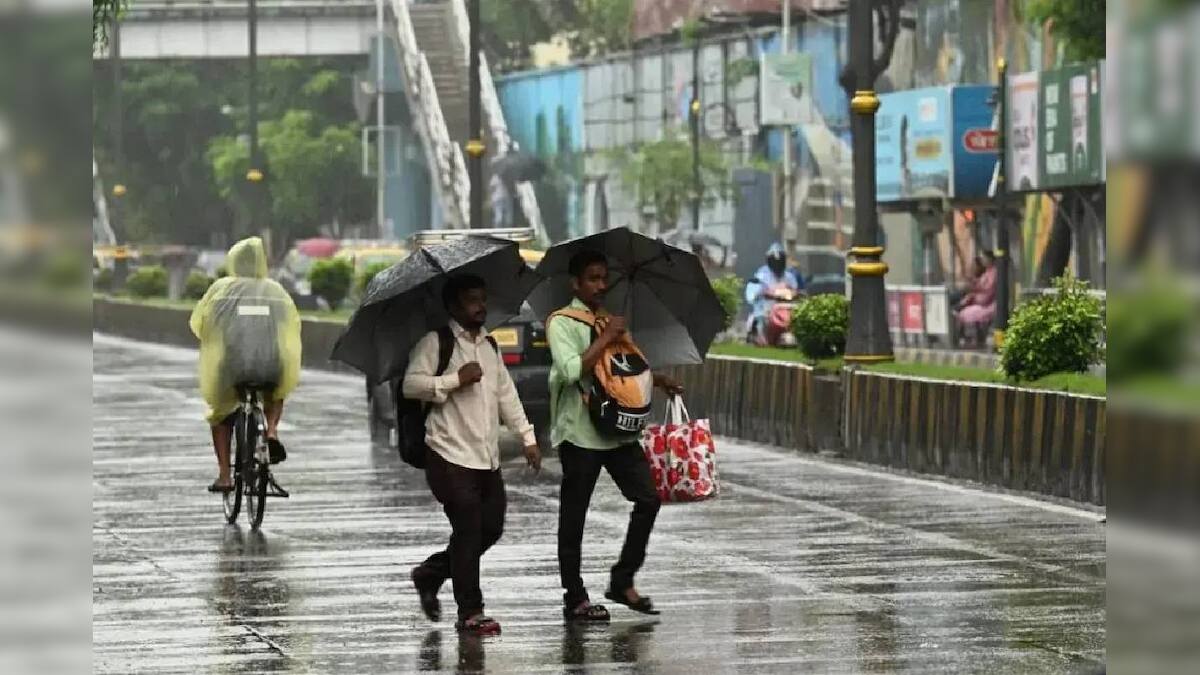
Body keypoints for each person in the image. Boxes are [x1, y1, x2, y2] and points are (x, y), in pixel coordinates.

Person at [548, 249, 683, 622]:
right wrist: (605, 336)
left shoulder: (611, 320)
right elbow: (573, 370)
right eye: (592, 278)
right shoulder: (561, 322)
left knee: (648, 499)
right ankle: (574, 595)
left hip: (619, 432)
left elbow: (621, 371)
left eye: (604, 278)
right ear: (576, 283)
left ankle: (622, 579)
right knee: (574, 517)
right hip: (581, 432)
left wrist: (657, 380)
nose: (601, 285)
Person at [404, 274, 542, 636]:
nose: (480, 307)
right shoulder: (436, 342)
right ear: (453, 306)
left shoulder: (490, 346)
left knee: (490, 528)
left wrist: (526, 437)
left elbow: (505, 395)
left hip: (485, 456)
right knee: (467, 528)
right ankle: (471, 611)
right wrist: (454, 380)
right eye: (471, 301)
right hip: (447, 453)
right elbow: (411, 384)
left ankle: (431, 573)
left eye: (483, 299)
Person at [189, 236, 301, 494]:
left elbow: (200, 325)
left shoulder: (221, 291)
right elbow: (291, 327)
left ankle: (225, 476)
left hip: (232, 367)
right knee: (276, 392)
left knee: (220, 415)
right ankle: (271, 431)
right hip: (270, 365)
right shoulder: (276, 292)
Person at [744, 243, 804, 344]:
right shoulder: (761, 274)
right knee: (761, 317)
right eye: (774, 261)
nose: (777, 264)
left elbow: (795, 289)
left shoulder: (789, 276)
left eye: (780, 261)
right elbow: (754, 290)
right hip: (767, 306)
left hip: (785, 305)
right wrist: (762, 293)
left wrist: (796, 293)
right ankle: (760, 335)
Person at [955, 251, 997, 346]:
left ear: (989, 259)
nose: (981, 261)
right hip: (980, 302)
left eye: (983, 258)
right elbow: (979, 284)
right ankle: (970, 337)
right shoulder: (987, 272)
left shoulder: (994, 273)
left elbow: (988, 289)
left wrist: (973, 289)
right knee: (962, 309)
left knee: (963, 313)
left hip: (988, 305)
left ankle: (967, 337)